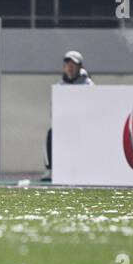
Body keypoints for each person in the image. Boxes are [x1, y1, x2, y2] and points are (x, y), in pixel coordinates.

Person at [44, 50, 94, 181]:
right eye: (67, 64)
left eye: (73, 65)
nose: (69, 68)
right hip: (65, 125)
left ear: (80, 67)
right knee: (51, 134)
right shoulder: (59, 86)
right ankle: (50, 170)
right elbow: (53, 111)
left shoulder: (89, 85)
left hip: (85, 126)